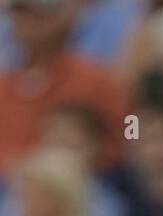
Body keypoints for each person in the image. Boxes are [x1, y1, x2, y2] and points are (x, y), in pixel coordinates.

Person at [0, 0, 127, 174]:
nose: (26, 22)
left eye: (36, 15)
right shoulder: (5, 84)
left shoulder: (94, 79)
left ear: (64, 16)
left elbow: (129, 126)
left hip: (82, 187)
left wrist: (98, 159)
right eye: (20, 14)